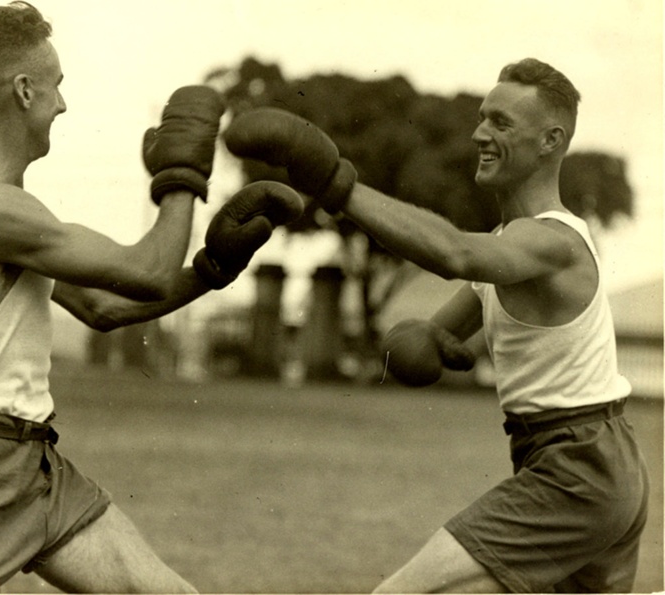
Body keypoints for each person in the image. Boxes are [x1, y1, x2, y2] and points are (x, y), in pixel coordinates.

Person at [0, 2, 302, 593]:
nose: (63, 104)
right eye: (56, 85)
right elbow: (147, 272)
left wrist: (210, 271)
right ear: (24, 91)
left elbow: (103, 308)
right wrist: (182, 177)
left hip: (33, 467)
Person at [222, 58, 650, 593]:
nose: (479, 134)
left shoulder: (553, 241)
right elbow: (424, 337)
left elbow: (454, 252)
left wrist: (335, 184)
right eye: (481, 118)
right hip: (595, 465)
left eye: (501, 123)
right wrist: (415, 341)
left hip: (576, 469)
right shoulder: (507, 250)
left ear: (550, 141)